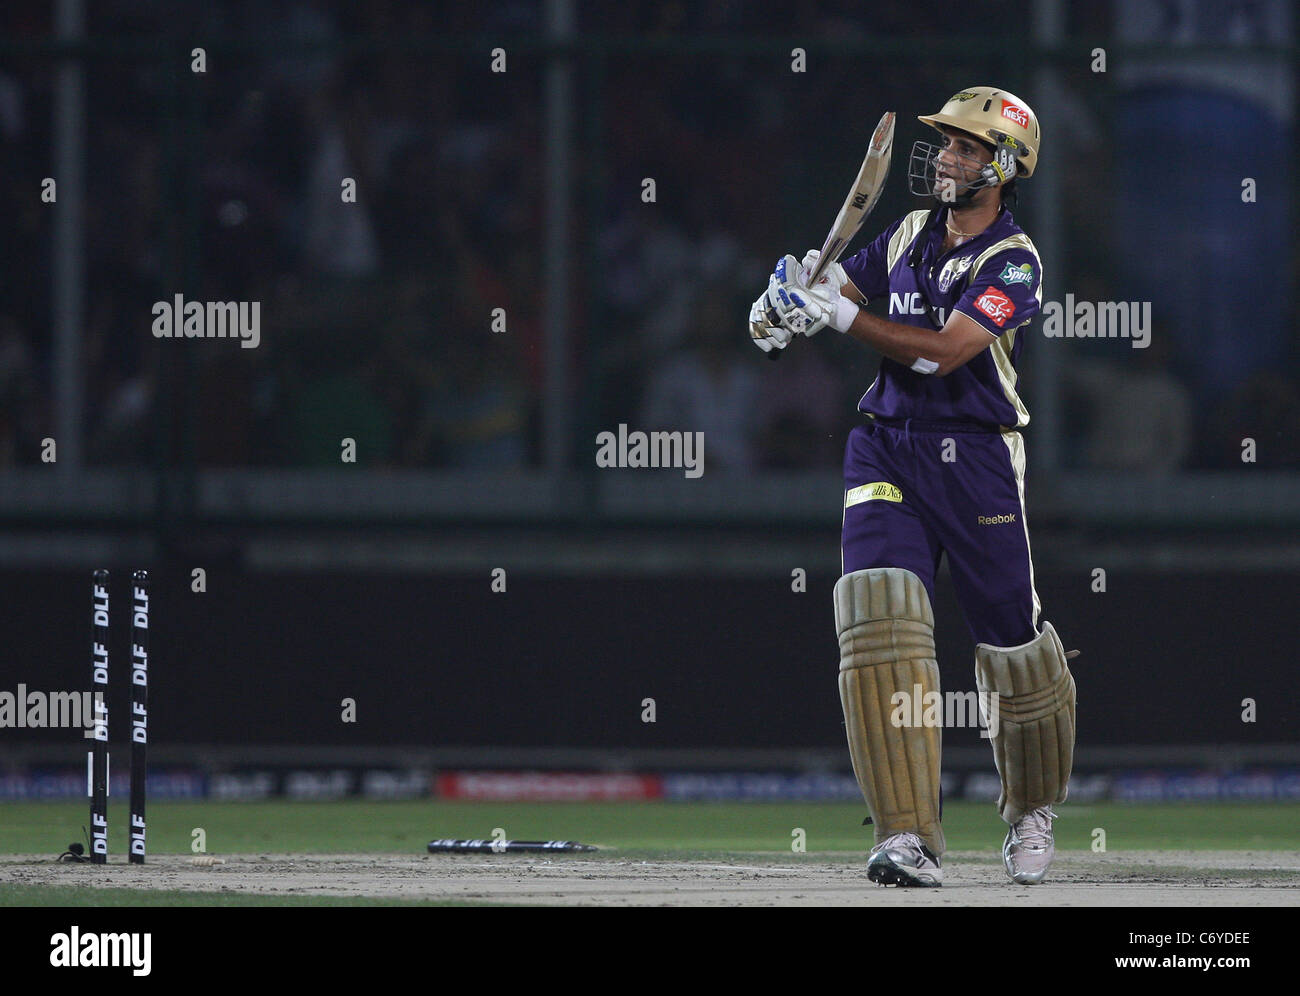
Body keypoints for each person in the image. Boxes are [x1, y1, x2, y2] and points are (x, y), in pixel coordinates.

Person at [749, 87, 1076, 887]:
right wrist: (781, 308)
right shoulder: (901, 233)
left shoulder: (1013, 259)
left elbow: (939, 354)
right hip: (886, 448)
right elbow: (840, 298)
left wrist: (834, 317)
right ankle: (908, 836)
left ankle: (1030, 809)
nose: (948, 158)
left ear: (1005, 165)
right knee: (879, 621)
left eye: (967, 149)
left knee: (1011, 643)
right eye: (947, 145)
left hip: (976, 458)